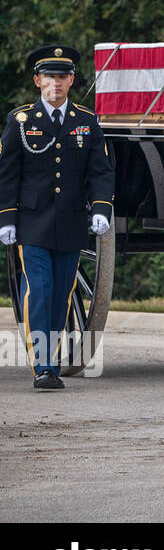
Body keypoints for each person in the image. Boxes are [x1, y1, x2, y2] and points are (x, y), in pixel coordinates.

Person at [0, 46, 114, 389]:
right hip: (32, 222)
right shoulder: (19, 121)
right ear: (38, 81)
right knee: (40, 288)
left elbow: (100, 172)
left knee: (63, 292)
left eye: (62, 77)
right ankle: (43, 367)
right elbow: (7, 174)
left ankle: (51, 357)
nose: (55, 84)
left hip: (70, 221)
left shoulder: (86, 121)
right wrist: (6, 217)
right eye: (48, 77)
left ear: (71, 81)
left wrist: (101, 208)